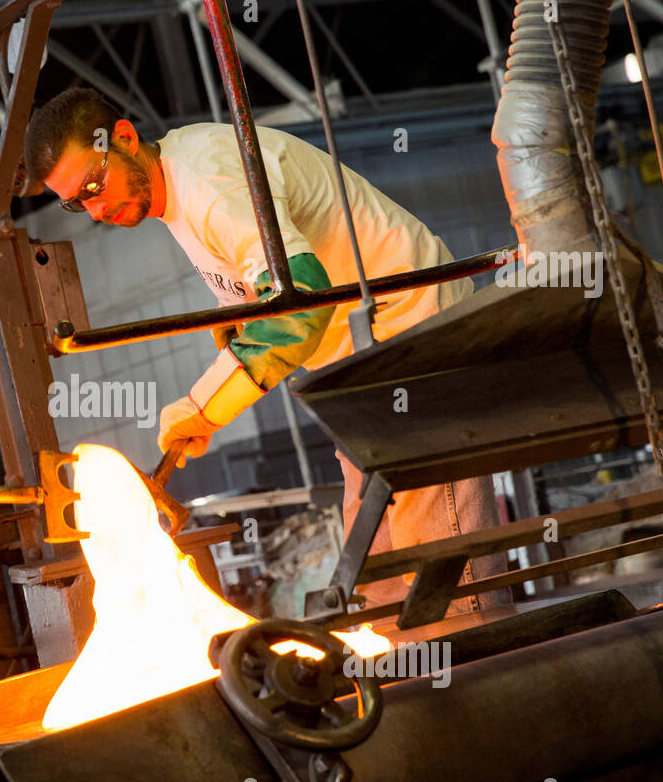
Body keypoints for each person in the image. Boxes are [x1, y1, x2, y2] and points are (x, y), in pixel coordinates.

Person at [25, 88, 506, 612]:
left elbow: (301, 305)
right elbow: (256, 306)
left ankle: (480, 663)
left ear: (124, 138)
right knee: (377, 566)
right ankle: (411, 672)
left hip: (410, 327)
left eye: (94, 185)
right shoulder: (175, 195)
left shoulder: (209, 181)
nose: (95, 211)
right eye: (76, 202)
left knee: (440, 555)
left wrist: (206, 406)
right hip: (358, 359)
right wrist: (213, 393)